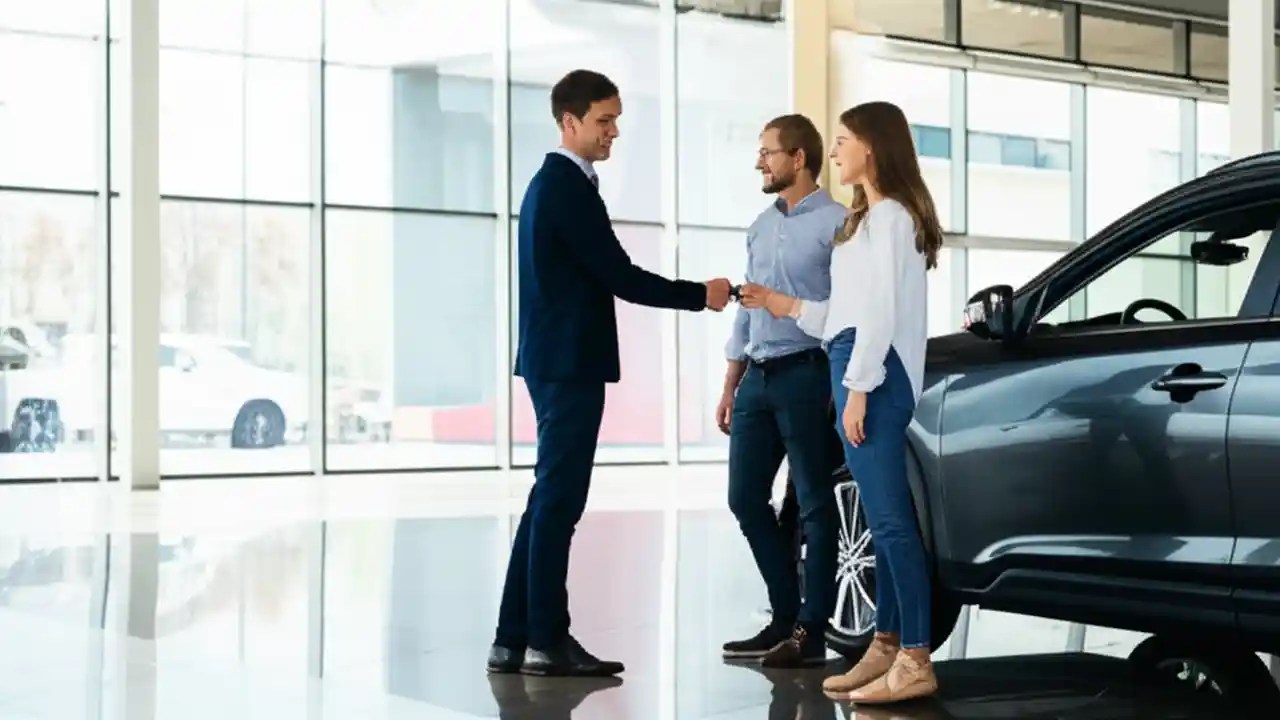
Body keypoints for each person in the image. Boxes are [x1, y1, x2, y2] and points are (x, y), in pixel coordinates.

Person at [489, 68, 732, 679]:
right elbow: (619, 275)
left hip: (556, 362)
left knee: (548, 499)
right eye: (603, 120)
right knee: (560, 503)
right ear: (569, 122)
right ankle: (547, 639)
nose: (614, 131)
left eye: (617, 119)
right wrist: (698, 295)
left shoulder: (555, 185)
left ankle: (512, 638)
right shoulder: (565, 187)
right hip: (568, 365)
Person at [740, 100, 944, 704]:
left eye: (842, 140)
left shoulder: (893, 219)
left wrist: (856, 390)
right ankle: (885, 644)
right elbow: (843, 316)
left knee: (890, 521)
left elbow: (877, 316)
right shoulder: (865, 220)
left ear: (872, 149)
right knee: (878, 520)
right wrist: (787, 306)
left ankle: (915, 657)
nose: (834, 150)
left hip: (873, 375)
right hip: (850, 360)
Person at [717, 114, 848, 668]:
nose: (759, 162)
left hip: (807, 373)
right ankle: (783, 616)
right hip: (758, 378)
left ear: (798, 158)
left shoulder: (840, 224)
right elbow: (747, 312)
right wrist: (730, 382)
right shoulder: (758, 226)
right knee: (744, 497)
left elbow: (846, 310)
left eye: (768, 153)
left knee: (815, 505)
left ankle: (810, 631)